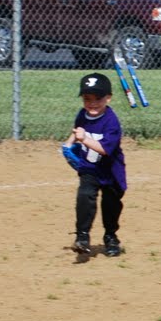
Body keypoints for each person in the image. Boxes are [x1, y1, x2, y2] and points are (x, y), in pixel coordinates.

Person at [67, 73, 127, 257]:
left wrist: (83, 138)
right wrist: (68, 144)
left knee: (111, 205)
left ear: (108, 98)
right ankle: (82, 236)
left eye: (98, 98)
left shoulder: (111, 121)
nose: (92, 103)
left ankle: (111, 237)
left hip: (111, 171)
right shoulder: (82, 115)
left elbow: (104, 149)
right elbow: (78, 131)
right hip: (90, 168)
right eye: (87, 98)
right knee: (84, 196)